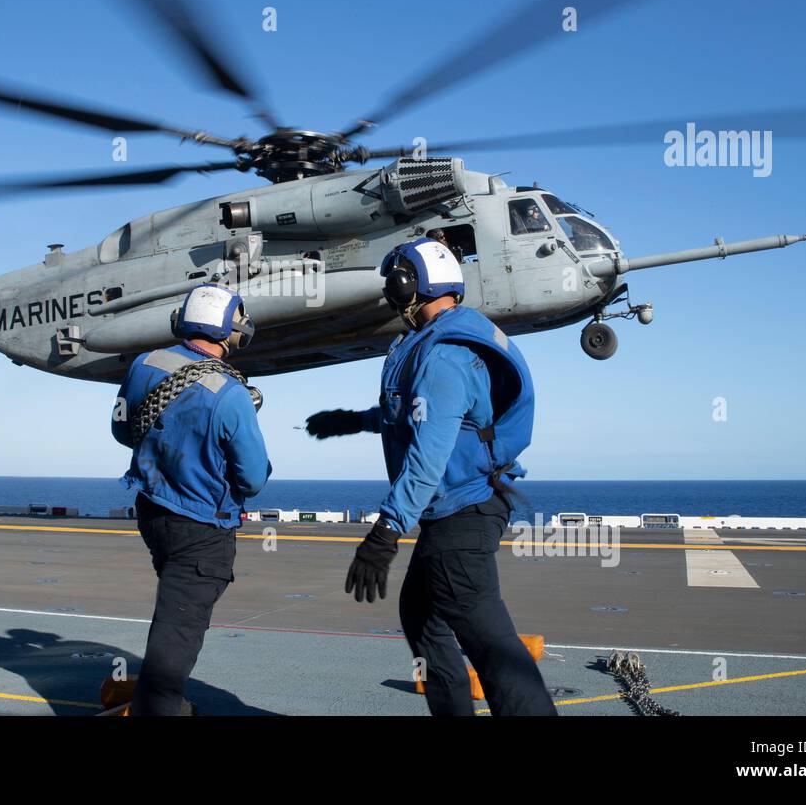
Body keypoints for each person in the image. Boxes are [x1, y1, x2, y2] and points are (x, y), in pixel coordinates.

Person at [305, 237, 556, 716]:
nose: (390, 293)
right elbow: (420, 417)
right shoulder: (439, 342)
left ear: (411, 284)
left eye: (394, 280)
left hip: (463, 510)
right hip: (461, 506)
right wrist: (352, 420)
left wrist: (384, 534)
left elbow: (429, 455)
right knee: (421, 614)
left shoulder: (443, 357)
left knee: (492, 647)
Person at [111, 283, 271, 715]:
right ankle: (159, 705)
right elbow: (254, 478)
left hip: (152, 512)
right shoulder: (232, 395)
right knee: (177, 631)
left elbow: (122, 429)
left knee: (172, 613)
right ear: (232, 332)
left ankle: (167, 702)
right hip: (202, 531)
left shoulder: (145, 364)